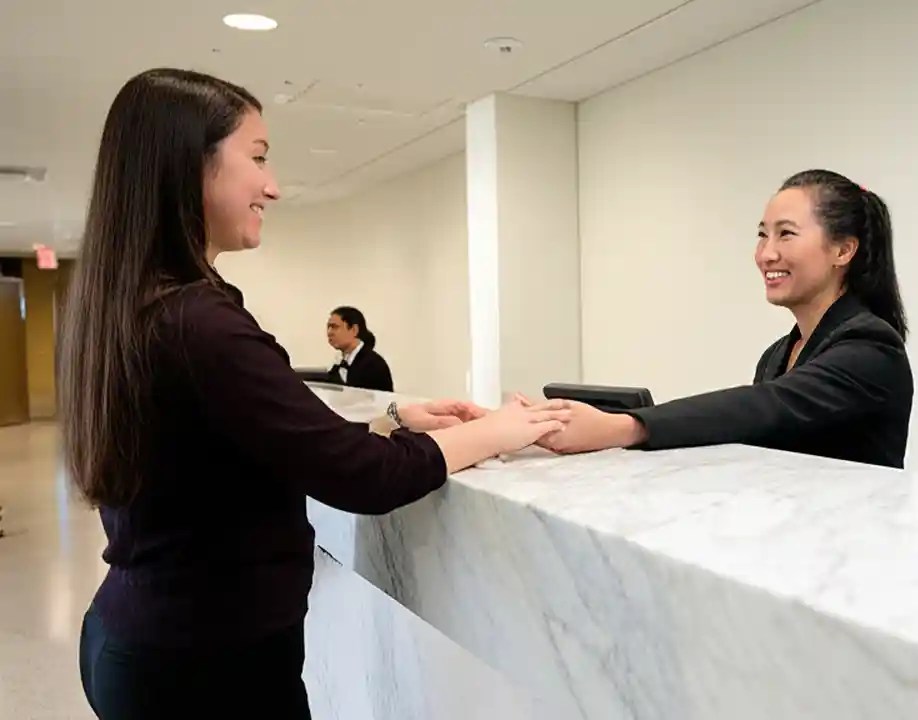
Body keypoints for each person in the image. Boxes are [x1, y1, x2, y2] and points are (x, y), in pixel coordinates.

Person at [59, 68, 568, 720]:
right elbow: (363, 479)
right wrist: (499, 429)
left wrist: (392, 418)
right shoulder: (200, 323)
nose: (272, 185)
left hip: (139, 635)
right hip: (205, 668)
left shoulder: (128, 306)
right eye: (259, 158)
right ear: (191, 162)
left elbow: (252, 447)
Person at [536, 169, 913, 467]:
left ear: (843, 250)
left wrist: (625, 426)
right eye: (762, 235)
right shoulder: (778, 353)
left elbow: (765, 407)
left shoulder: (870, 350)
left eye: (786, 235)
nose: (766, 254)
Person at [325, 306, 393, 391]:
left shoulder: (373, 364)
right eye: (328, 327)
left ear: (354, 330)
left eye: (335, 327)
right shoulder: (337, 365)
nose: (329, 332)